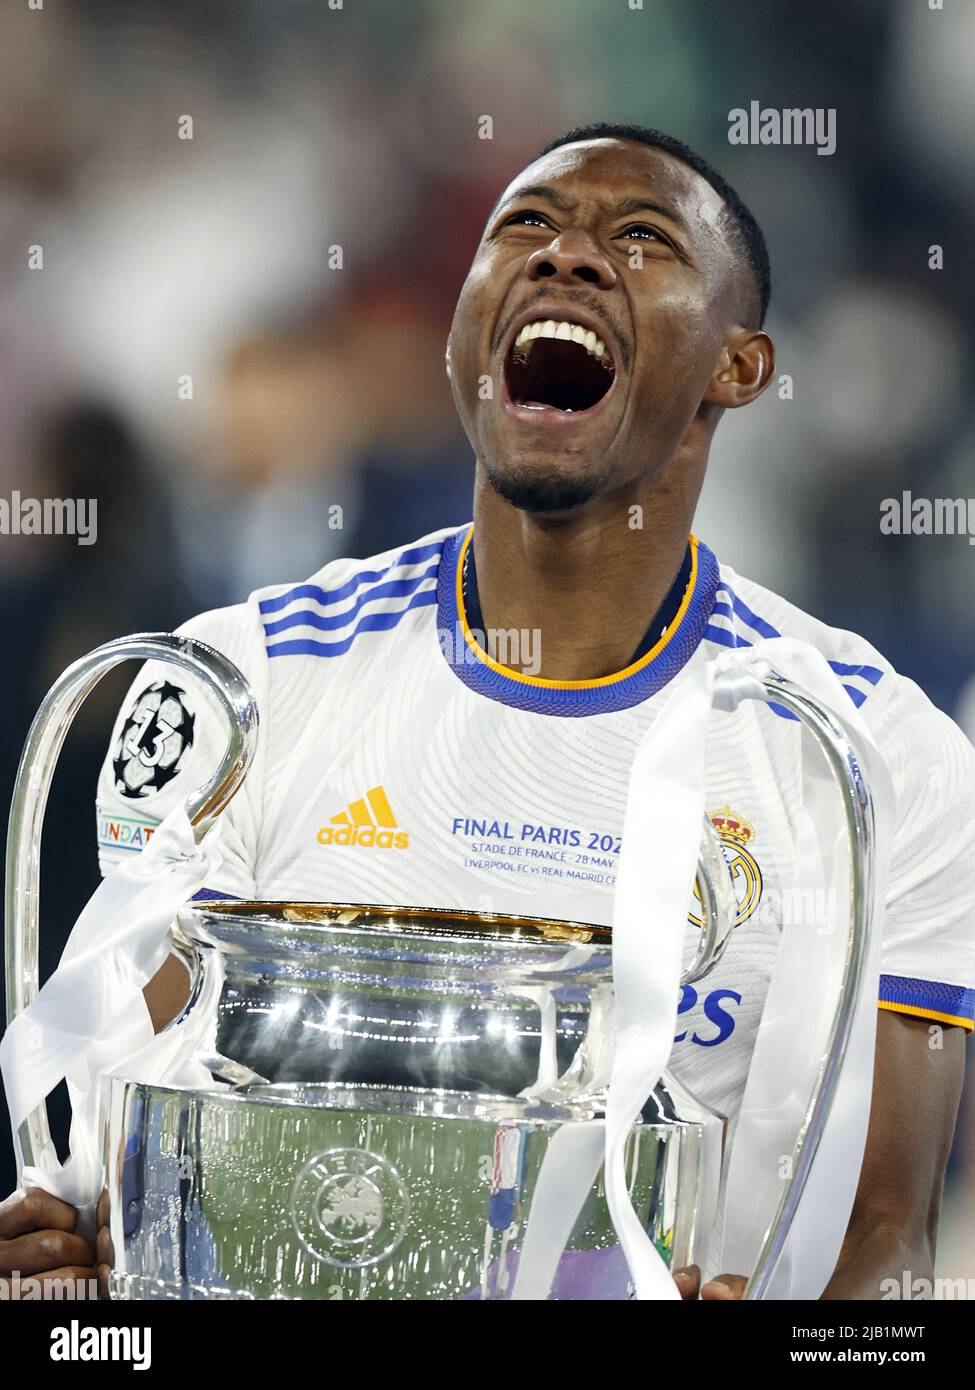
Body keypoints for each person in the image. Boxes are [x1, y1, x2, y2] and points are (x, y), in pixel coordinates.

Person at [3, 123, 973, 1301]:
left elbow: (892, 1252)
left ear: (740, 367)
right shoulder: (243, 684)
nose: (565, 257)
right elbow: (131, 1161)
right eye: (523, 226)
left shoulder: (879, 754)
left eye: (642, 240)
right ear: (466, 326)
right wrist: (58, 1273)